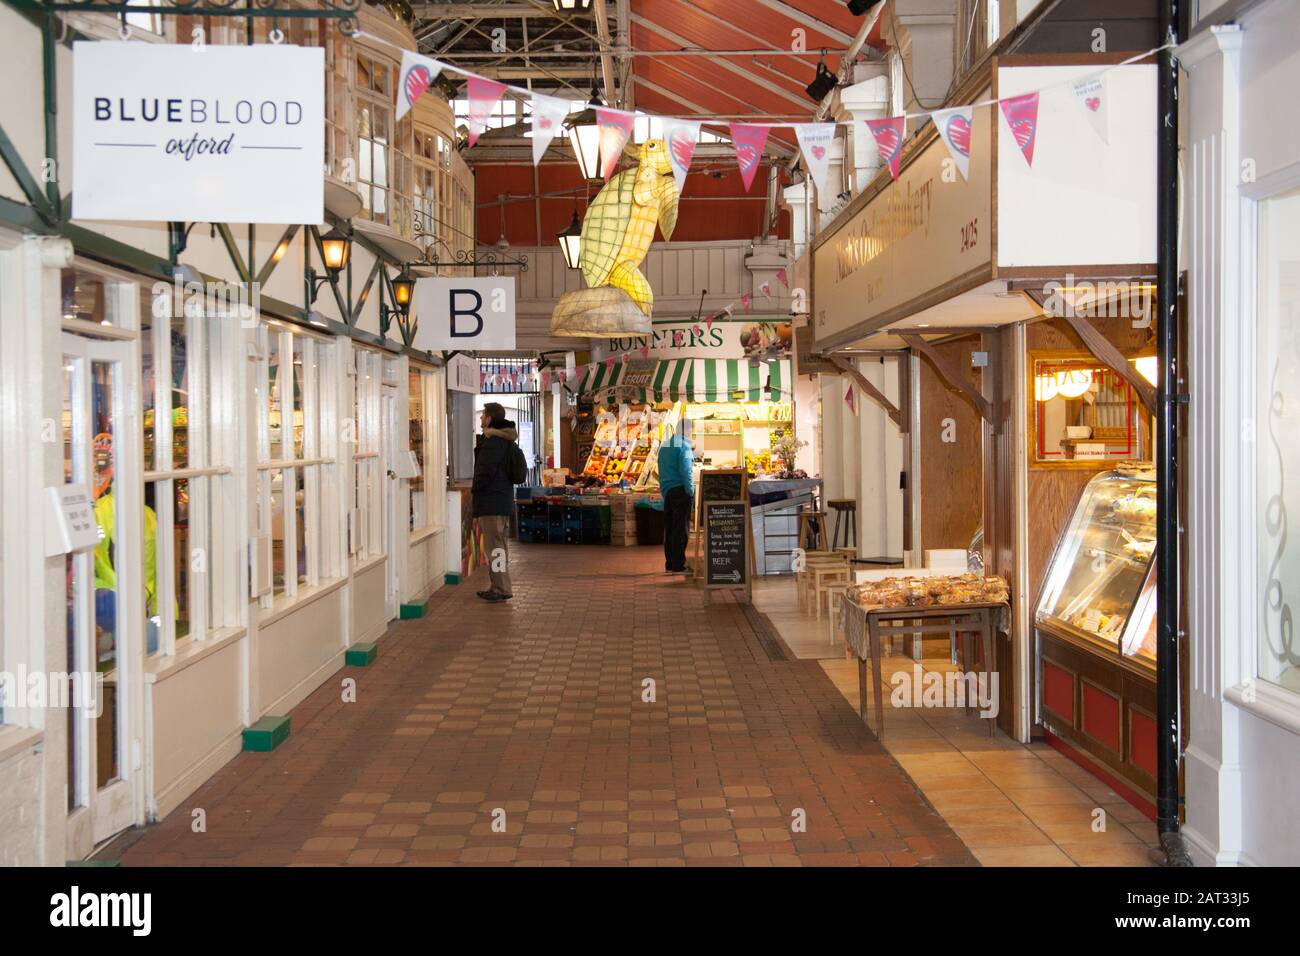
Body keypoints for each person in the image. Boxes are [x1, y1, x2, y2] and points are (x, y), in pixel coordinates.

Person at [472, 402, 520, 602]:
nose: (481, 418)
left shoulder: (493, 443)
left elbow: (484, 472)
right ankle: (498, 585)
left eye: (483, 415)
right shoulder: (506, 441)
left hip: (492, 503)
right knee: (498, 547)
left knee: (496, 549)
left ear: (490, 418)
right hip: (501, 501)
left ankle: (500, 588)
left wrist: (477, 491)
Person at [657, 423, 694, 573]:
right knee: (681, 528)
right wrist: (690, 490)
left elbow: (660, 468)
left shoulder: (665, 446)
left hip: (668, 491)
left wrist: (664, 489)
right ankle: (679, 564)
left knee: (671, 528)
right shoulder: (684, 446)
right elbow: (686, 471)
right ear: (687, 430)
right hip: (681, 490)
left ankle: (670, 564)